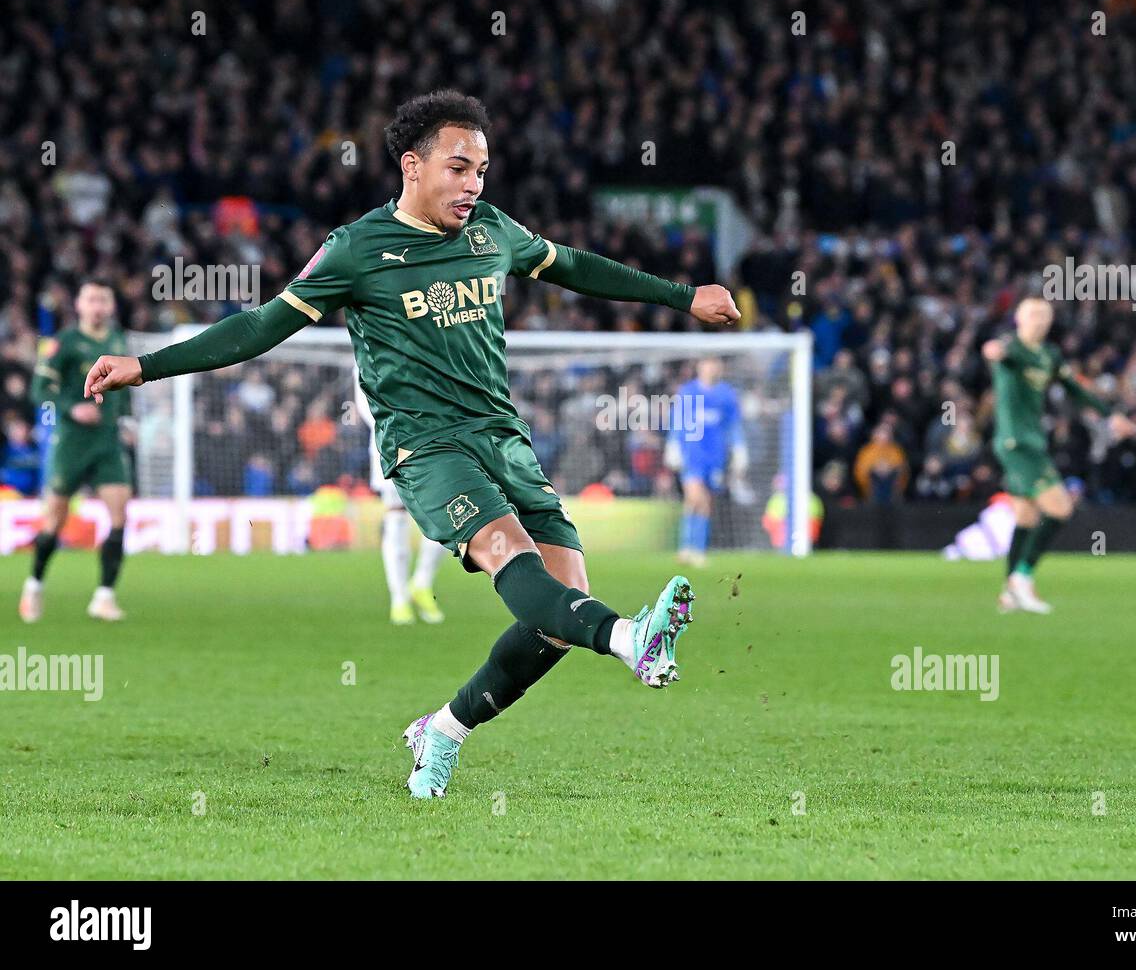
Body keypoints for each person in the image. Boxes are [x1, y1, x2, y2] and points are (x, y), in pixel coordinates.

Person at [83, 90, 740, 799]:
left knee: (559, 610)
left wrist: (681, 297)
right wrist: (147, 365)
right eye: (458, 168)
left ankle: (445, 732)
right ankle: (629, 640)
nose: (473, 185)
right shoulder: (356, 249)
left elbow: (576, 265)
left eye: (482, 171)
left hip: (503, 439)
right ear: (412, 166)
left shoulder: (492, 231)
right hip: (426, 446)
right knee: (507, 556)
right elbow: (260, 326)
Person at [982, 298, 1136, 613]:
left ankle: (1010, 592)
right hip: (1017, 443)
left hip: (1032, 442)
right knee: (1060, 508)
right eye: (1033, 314)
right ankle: (1022, 580)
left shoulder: (1049, 355)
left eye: (1044, 315)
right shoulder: (1012, 349)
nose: (1039, 320)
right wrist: (992, 350)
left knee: (1026, 517)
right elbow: (997, 350)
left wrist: (1109, 415)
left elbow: (1075, 389)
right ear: (1019, 318)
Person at [19, 281, 133, 623]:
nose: (97, 306)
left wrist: (127, 420)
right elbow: (40, 391)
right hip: (71, 441)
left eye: (103, 299)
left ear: (111, 306)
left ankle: (104, 596)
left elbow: (125, 386)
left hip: (108, 441)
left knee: (119, 514)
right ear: (79, 305)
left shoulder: (117, 340)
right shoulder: (63, 343)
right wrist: (71, 410)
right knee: (55, 519)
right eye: (91, 299)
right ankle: (35, 584)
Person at [353, 369, 445, 625]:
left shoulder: (422, 342)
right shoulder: (367, 348)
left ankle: (422, 582)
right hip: (390, 444)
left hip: (431, 441)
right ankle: (399, 598)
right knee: (396, 520)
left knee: (444, 514)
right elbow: (365, 404)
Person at [666, 357, 746, 566]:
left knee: (704, 502)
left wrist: (739, 449)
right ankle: (689, 548)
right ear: (700, 366)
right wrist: (673, 445)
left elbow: (733, 425)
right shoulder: (687, 392)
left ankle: (694, 549)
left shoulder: (726, 394)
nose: (711, 368)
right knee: (696, 497)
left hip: (715, 457)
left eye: (715, 364)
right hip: (692, 455)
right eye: (707, 363)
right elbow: (677, 422)